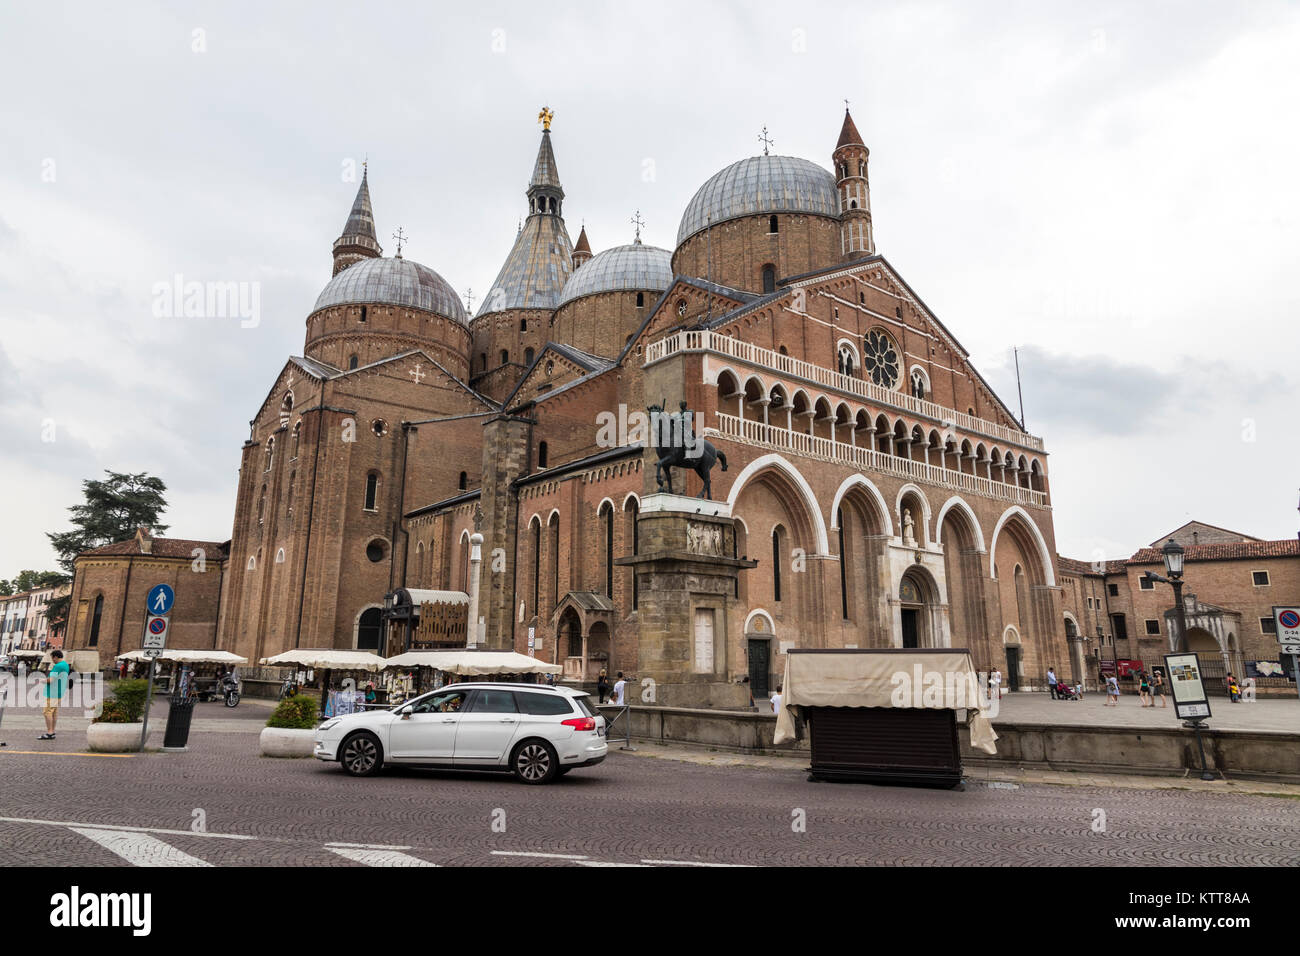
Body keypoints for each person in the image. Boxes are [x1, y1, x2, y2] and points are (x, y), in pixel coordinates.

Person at [39, 650, 70, 740]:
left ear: (55, 657)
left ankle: (49, 732)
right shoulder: (65, 665)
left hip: (52, 692)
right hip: (59, 692)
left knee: (47, 712)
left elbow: (51, 680)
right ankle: (52, 731)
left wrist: (42, 680)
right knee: (54, 712)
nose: (52, 660)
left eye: (52, 658)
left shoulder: (57, 666)